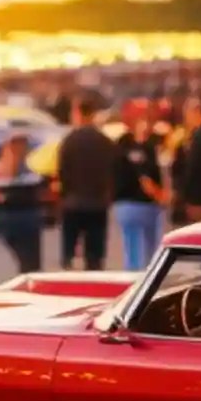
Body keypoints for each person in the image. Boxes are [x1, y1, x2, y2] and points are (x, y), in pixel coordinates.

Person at [55, 96, 115, 271]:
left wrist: (63, 196)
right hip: (97, 204)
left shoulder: (69, 141)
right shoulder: (104, 141)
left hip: (72, 204)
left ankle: (69, 281)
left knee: (69, 253)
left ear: (77, 113)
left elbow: (62, 173)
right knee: (95, 254)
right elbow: (113, 171)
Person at [112, 118, 166, 271]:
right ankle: (149, 276)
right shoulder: (148, 151)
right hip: (146, 204)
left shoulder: (120, 149)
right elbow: (146, 181)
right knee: (150, 248)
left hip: (124, 205)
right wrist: (161, 197)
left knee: (131, 246)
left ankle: (132, 275)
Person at [0, 134, 45, 274]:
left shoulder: (1, 168)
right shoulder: (31, 167)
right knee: (31, 264)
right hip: (26, 216)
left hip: (7, 217)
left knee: (25, 261)